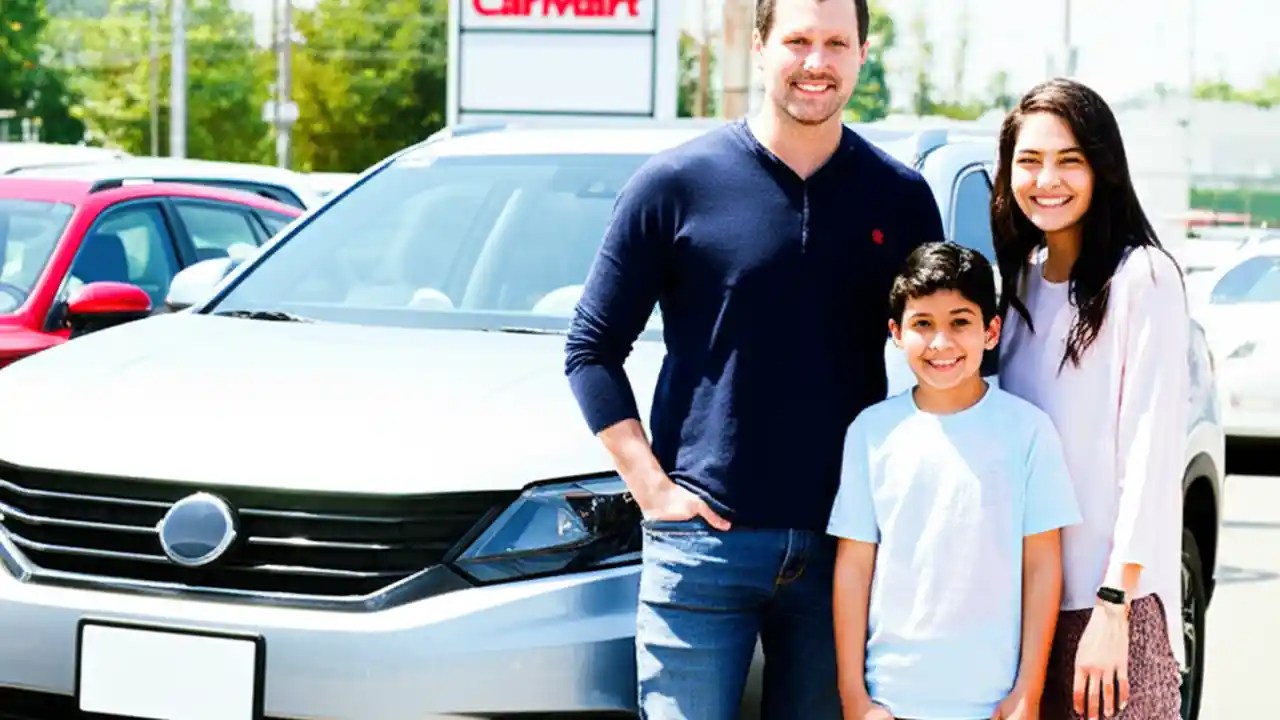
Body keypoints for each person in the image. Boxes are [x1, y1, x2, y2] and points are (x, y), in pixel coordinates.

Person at [562, 0, 946, 715]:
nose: (816, 62)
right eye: (798, 40)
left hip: (847, 547)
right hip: (703, 547)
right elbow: (590, 348)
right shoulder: (675, 184)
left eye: (836, 43)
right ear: (760, 48)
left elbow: (944, 357)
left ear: (863, 53)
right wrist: (653, 490)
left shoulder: (900, 199)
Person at [993, 78, 1189, 720]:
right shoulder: (1018, 283)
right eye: (1029, 161)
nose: (1046, 179)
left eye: (1068, 160)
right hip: (1027, 608)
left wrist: (1114, 605)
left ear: (1102, 168)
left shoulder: (1143, 279)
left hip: (1112, 605)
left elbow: (1151, 455)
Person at [828, 242, 1082, 720]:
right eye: (922, 324)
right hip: (892, 696)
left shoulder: (1028, 430)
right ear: (896, 334)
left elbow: (1042, 565)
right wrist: (855, 697)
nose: (941, 342)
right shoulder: (871, 432)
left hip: (990, 700)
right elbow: (854, 566)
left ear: (991, 332)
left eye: (960, 322)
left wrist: (1028, 690)